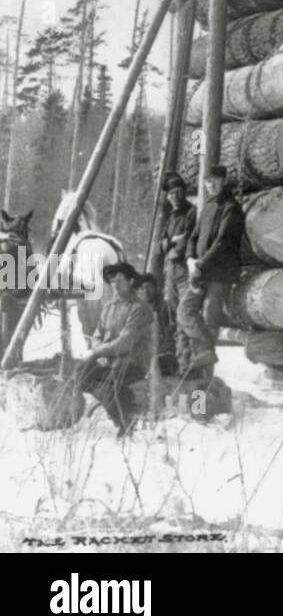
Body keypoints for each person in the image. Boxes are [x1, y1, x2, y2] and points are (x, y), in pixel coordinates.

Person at [177, 165, 244, 383]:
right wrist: (189, 259)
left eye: (215, 180)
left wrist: (200, 265)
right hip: (200, 272)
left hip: (218, 275)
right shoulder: (207, 206)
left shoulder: (231, 208)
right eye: (207, 181)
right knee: (185, 311)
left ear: (224, 181)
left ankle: (205, 378)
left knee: (209, 319)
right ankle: (204, 352)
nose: (211, 184)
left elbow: (223, 242)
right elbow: (194, 236)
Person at [76, 263, 152, 437]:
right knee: (81, 373)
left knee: (111, 383)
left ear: (131, 281)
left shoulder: (140, 309)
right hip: (110, 360)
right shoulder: (109, 306)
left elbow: (125, 342)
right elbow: (97, 334)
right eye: (111, 282)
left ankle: (125, 423)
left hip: (132, 361)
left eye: (118, 281)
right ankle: (122, 408)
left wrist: (99, 352)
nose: (114, 286)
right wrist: (98, 349)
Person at [158, 172, 196, 341]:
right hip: (170, 269)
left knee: (184, 313)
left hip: (184, 269)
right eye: (171, 193)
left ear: (184, 192)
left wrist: (170, 244)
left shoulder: (192, 213)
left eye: (178, 192)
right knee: (172, 311)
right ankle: (180, 358)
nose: (174, 197)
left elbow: (184, 243)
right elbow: (159, 246)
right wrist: (172, 240)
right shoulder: (171, 217)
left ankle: (189, 358)